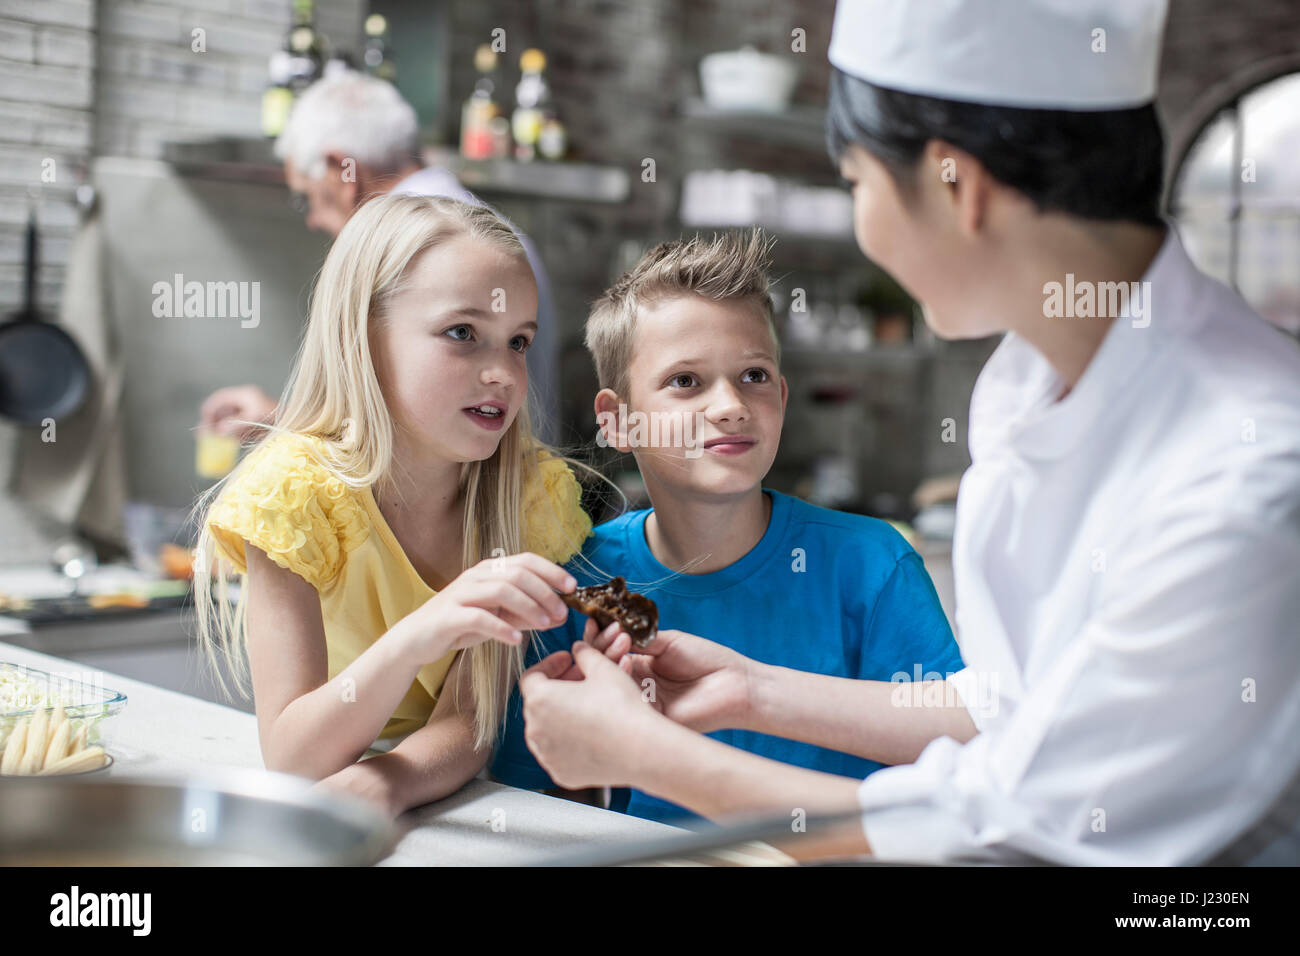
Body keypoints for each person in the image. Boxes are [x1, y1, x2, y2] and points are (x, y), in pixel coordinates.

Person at [514, 0, 1300, 865]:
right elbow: (1015, 708)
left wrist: (646, 756)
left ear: (955, 184)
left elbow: (1015, 839)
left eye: (856, 183)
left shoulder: (1245, 476)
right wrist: (753, 691)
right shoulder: (1030, 381)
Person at [488, 230, 964, 823]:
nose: (731, 405)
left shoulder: (872, 565)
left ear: (783, 399)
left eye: (754, 376)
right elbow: (535, 799)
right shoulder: (578, 580)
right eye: (685, 381)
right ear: (618, 421)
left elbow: (964, 745)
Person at [192, 194, 593, 819]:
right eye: (463, 334)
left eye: (517, 342)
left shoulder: (527, 496)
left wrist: (387, 782)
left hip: (457, 806)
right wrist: (420, 634)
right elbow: (296, 757)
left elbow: (472, 719)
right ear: (364, 336)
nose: (504, 375)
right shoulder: (292, 497)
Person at [199, 71, 562, 445]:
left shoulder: (423, 244)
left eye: (305, 196)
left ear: (343, 170)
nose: (311, 220)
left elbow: (408, 449)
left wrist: (280, 423)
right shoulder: (477, 227)